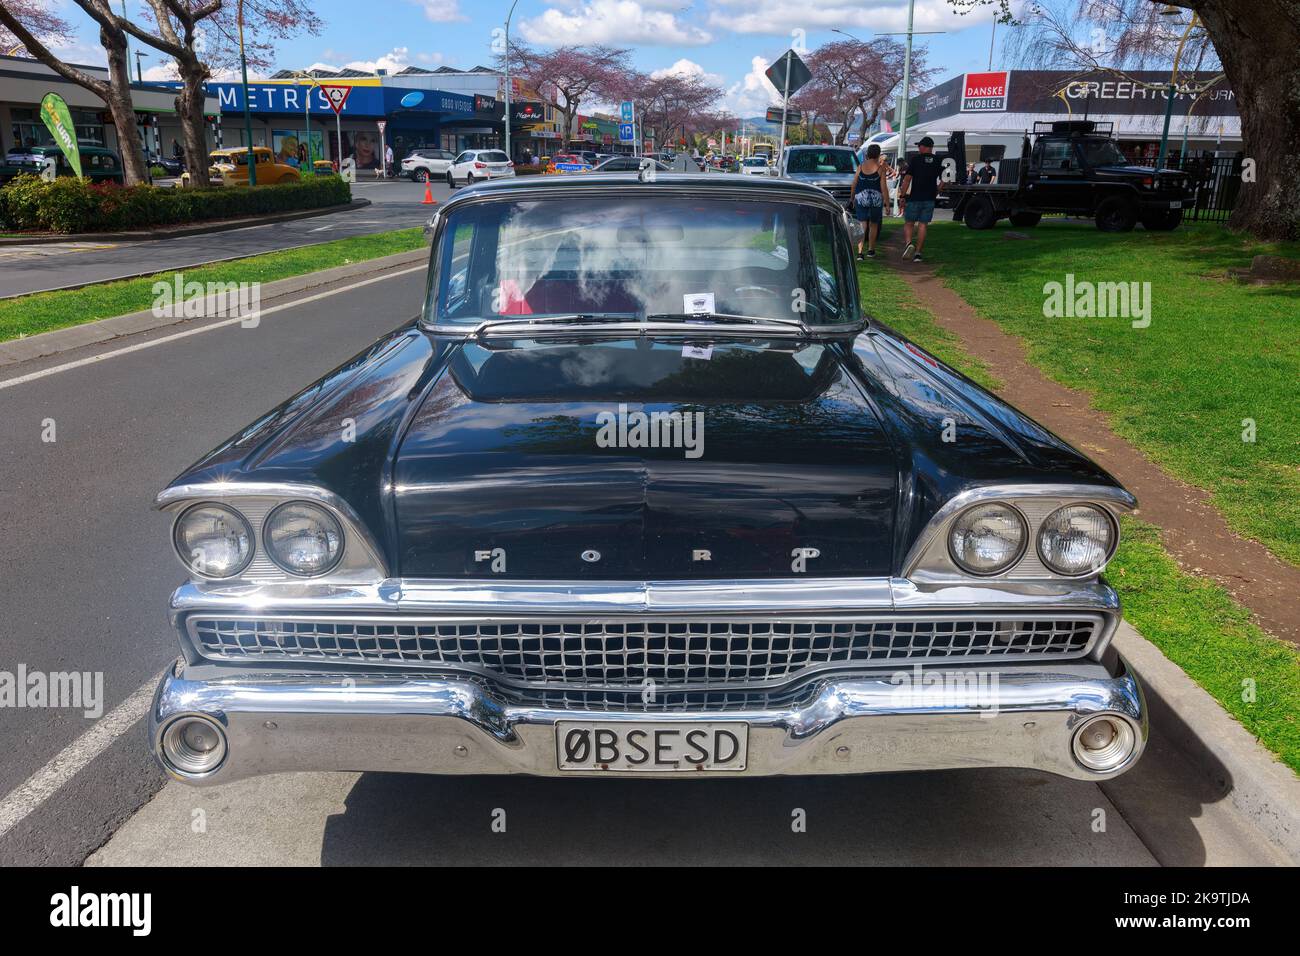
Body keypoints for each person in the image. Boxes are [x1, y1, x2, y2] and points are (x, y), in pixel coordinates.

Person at [899, 135, 943, 263]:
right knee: (923, 225)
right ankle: (918, 253)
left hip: (915, 197)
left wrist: (902, 196)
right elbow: (946, 178)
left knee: (909, 223)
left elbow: (907, 179)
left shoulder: (915, 160)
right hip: (929, 197)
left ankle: (908, 244)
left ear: (924, 147)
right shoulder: (938, 160)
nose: (918, 148)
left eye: (919, 146)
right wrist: (937, 190)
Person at [848, 143, 890, 260]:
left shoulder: (860, 167)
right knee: (874, 224)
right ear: (878, 154)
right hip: (876, 198)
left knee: (862, 224)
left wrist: (852, 198)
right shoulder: (881, 168)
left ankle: (860, 252)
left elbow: (854, 184)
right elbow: (884, 188)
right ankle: (871, 250)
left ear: (868, 154)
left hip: (861, 197)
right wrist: (887, 204)